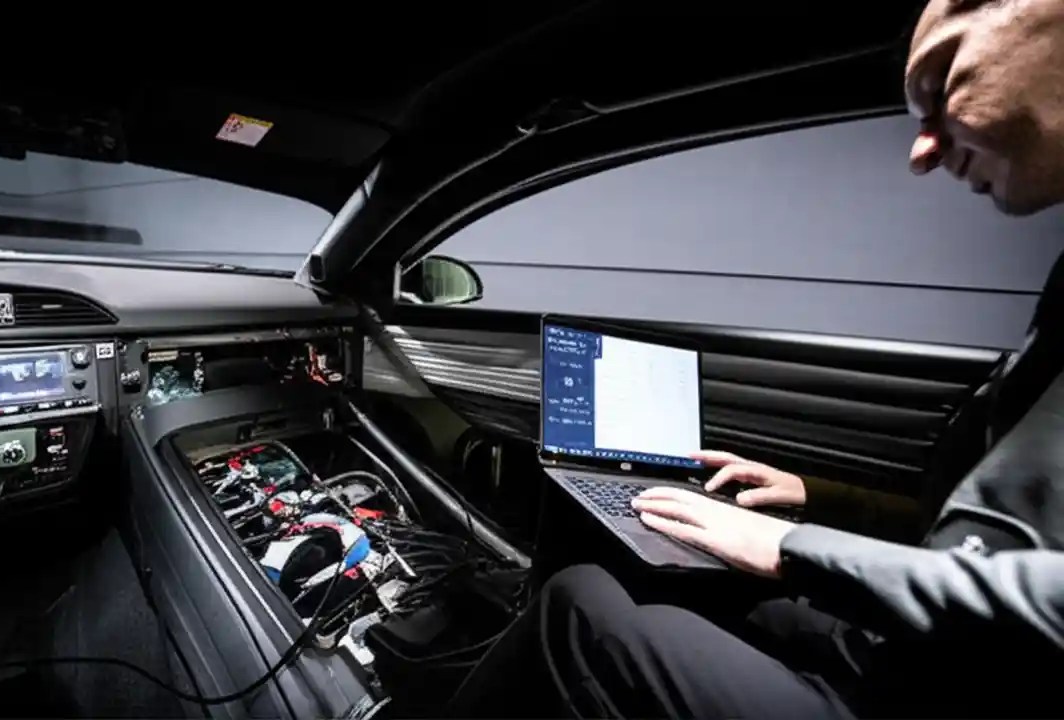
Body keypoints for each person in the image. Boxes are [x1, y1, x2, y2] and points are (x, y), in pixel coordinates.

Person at [449, 1, 1064, 717]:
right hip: (922, 644)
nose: (920, 151)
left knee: (576, 605)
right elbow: (981, 525)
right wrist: (813, 498)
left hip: (949, 685)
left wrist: (790, 550)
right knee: (689, 580)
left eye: (940, 82)